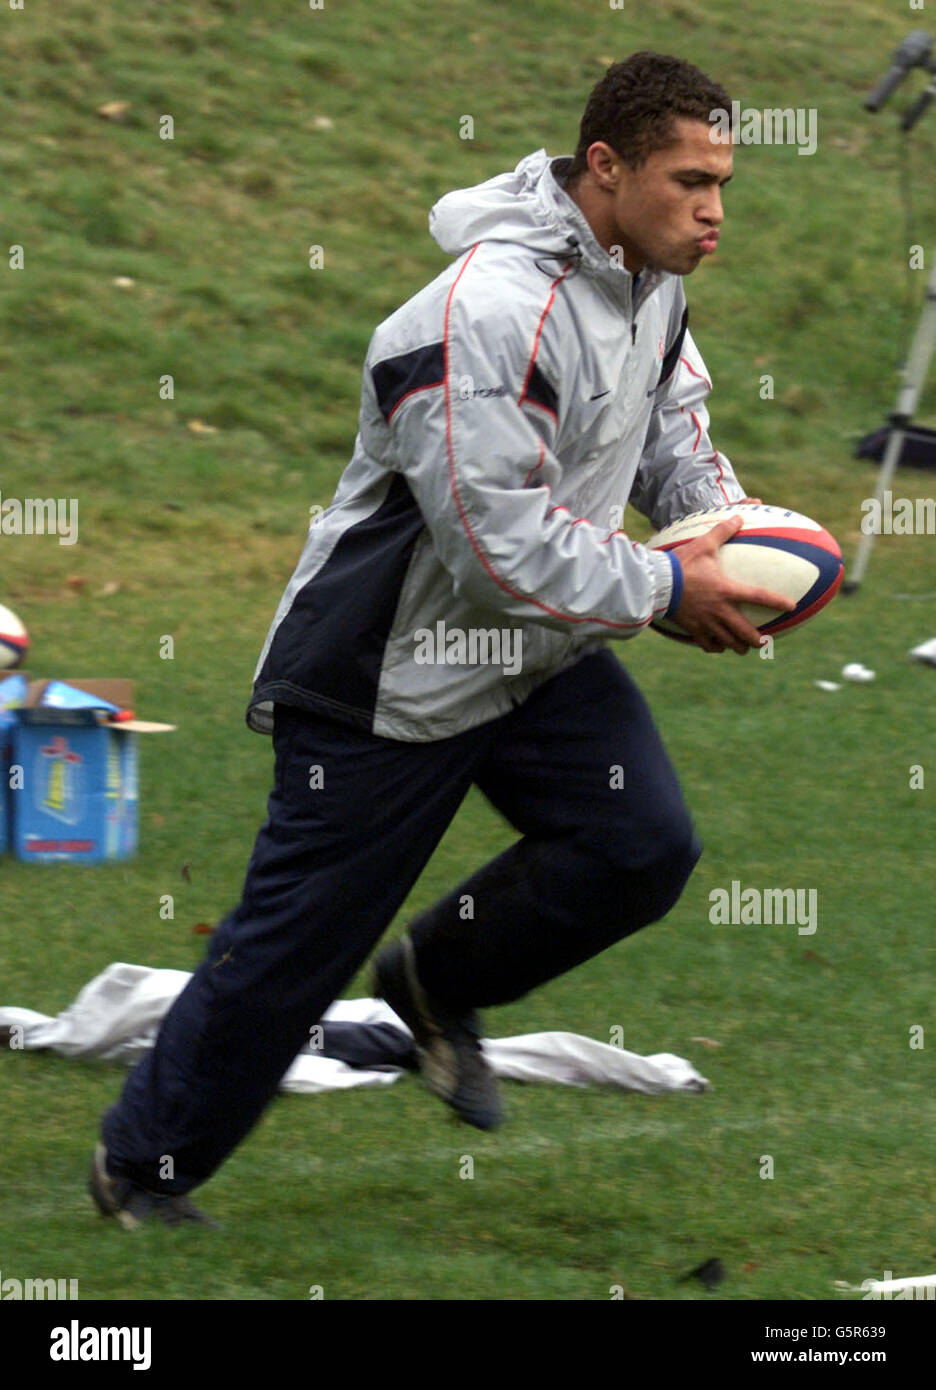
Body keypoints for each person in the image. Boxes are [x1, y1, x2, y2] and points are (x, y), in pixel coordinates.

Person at [90, 51, 792, 1228]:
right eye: (689, 180)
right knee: (292, 953)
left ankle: (434, 981)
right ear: (606, 168)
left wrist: (730, 529)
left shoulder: (650, 284)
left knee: (640, 843)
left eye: (724, 181)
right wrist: (672, 586)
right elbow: (495, 545)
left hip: (534, 654)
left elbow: (676, 438)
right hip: (390, 672)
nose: (714, 209)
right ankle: (141, 1170)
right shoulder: (488, 310)